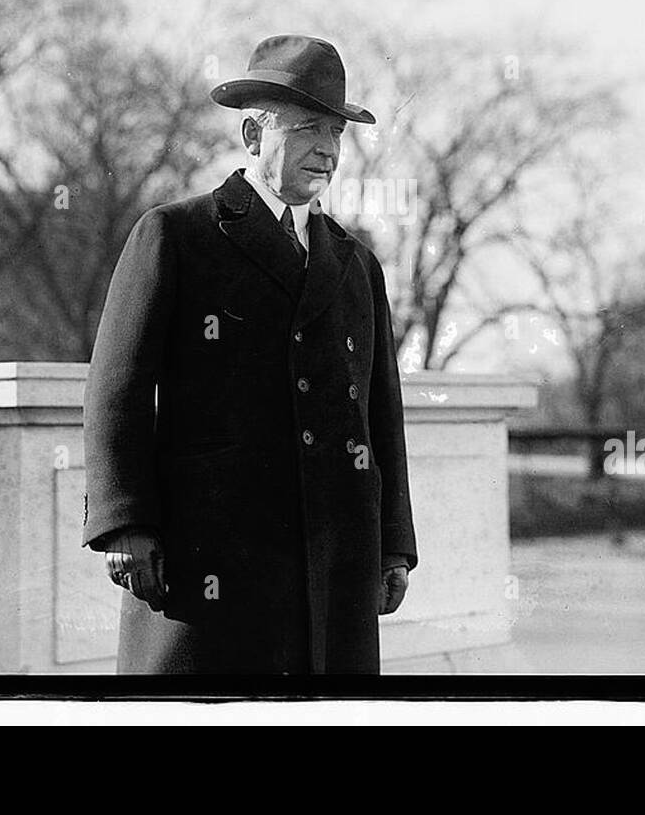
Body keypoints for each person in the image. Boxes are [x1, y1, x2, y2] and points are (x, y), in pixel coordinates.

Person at [81, 34, 418, 674]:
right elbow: (116, 390)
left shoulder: (355, 266)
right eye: (307, 128)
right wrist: (125, 524)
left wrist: (393, 545)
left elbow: (381, 418)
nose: (326, 147)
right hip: (208, 560)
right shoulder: (176, 235)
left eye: (336, 133)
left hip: (334, 561)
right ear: (251, 135)